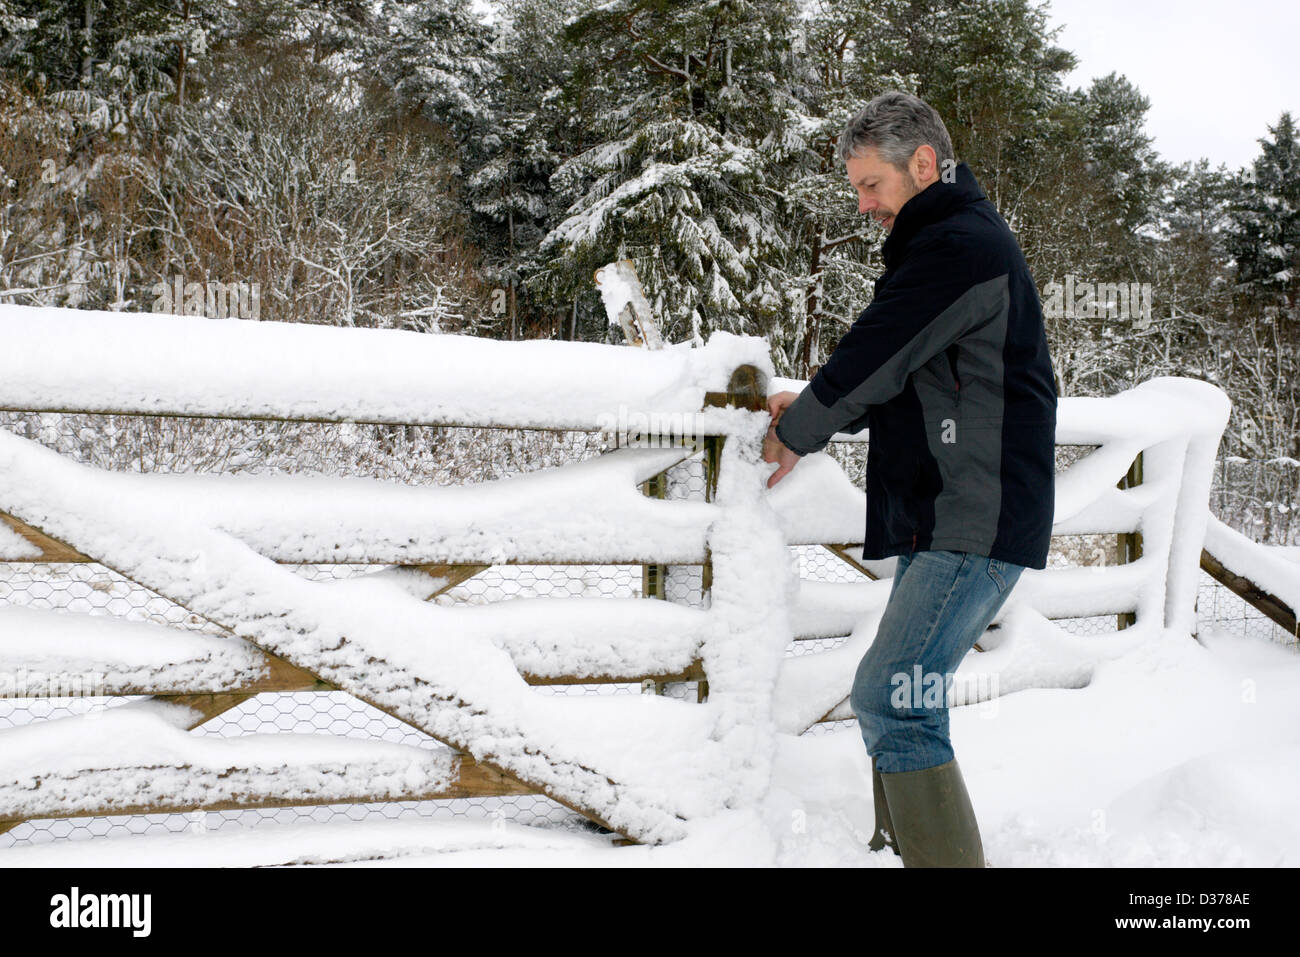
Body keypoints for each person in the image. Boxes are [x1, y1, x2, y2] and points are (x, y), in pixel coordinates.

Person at [763, 91, 1058, 867]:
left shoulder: (960, 246)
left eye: (872, 185)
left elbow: (878, 350)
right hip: (958, 515)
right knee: (901, 697)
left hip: (975, 517)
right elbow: (908, 375)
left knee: (895, 697)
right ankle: (903, 850)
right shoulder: (952, 242)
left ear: (923, 165)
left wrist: (797, 430)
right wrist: (819, 409)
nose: (862, 205)